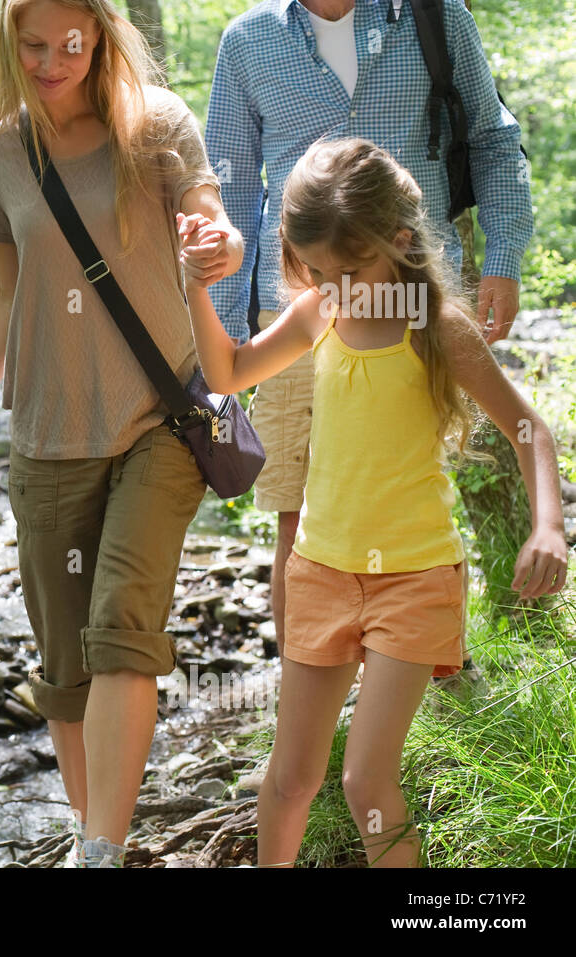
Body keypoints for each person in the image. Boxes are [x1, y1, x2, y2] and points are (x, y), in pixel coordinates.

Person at [177, 137, 567, 867]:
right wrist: (195, 286)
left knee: (365, 778)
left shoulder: (437, 329)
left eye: (347, 268)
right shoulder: (320, 310)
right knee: (291, 778)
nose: (333, 283)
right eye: (316, 269)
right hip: (320, 571)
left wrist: (548, 525)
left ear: (398, 237)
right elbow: (226, 373)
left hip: (414, 578)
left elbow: (528, 429)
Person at [0, 0, 242, 868]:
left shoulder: (159, 124)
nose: (50, 59)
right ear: (9, 42)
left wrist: (217, 243)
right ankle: (92, 835)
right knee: (65, 670)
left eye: (69, 42)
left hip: (160, 423)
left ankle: (100, 849)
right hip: (48, 434)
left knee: (119, 631)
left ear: (99, 36)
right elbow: (7, 293)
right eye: (31, 44)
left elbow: (214, 221)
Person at [204, 0, 534, 665]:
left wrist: (502, 259)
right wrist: (222, 320)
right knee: (298, 515)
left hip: (410, 302)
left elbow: (493, 138)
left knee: (411, 493)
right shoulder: (248, 41)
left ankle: (425, 683)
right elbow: (232, 188)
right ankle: (316, 716)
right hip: (299, 305)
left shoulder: (435, 17)